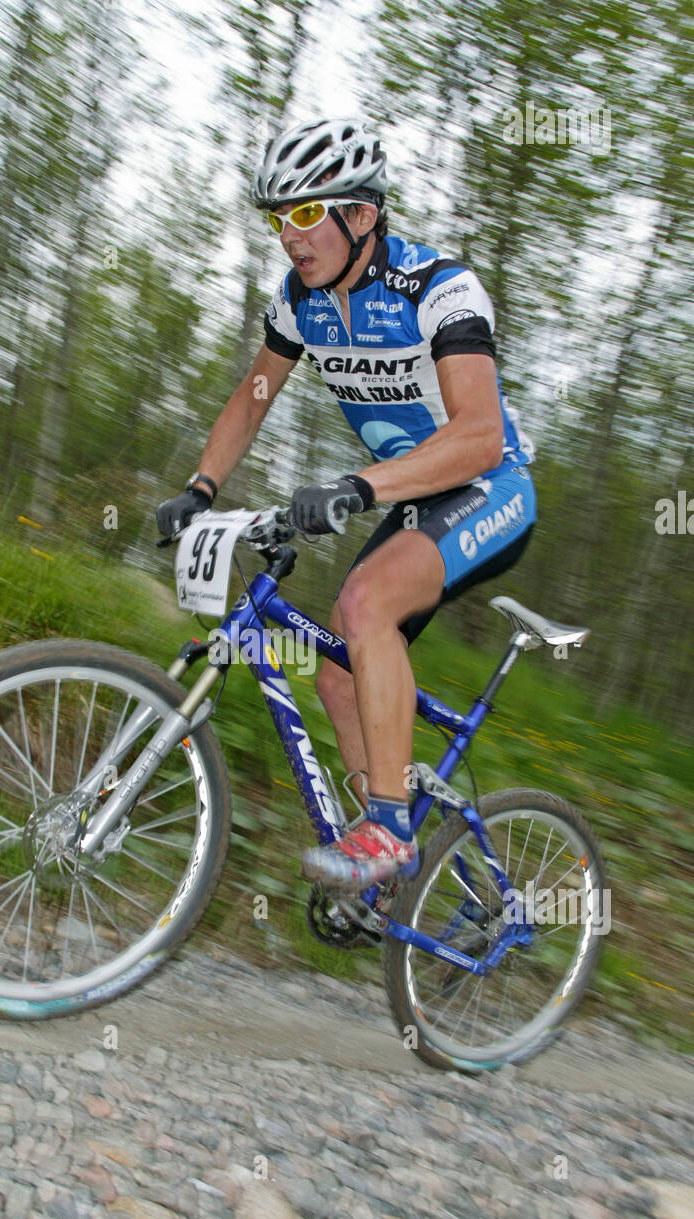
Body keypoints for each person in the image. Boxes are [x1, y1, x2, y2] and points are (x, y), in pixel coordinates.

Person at [155, 117, 536, 892]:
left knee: (364, 605)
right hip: (413, 496)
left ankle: (390, 829)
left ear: (360, 215)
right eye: (277, 217)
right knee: (336, 671)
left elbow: (480, 438)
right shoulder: (302, 300)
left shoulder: (438, 290)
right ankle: (385, 862)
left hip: (489, 488)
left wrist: (360, 487)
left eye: (304, 214)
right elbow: (253, 397)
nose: (288, 236)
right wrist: (200, 487)